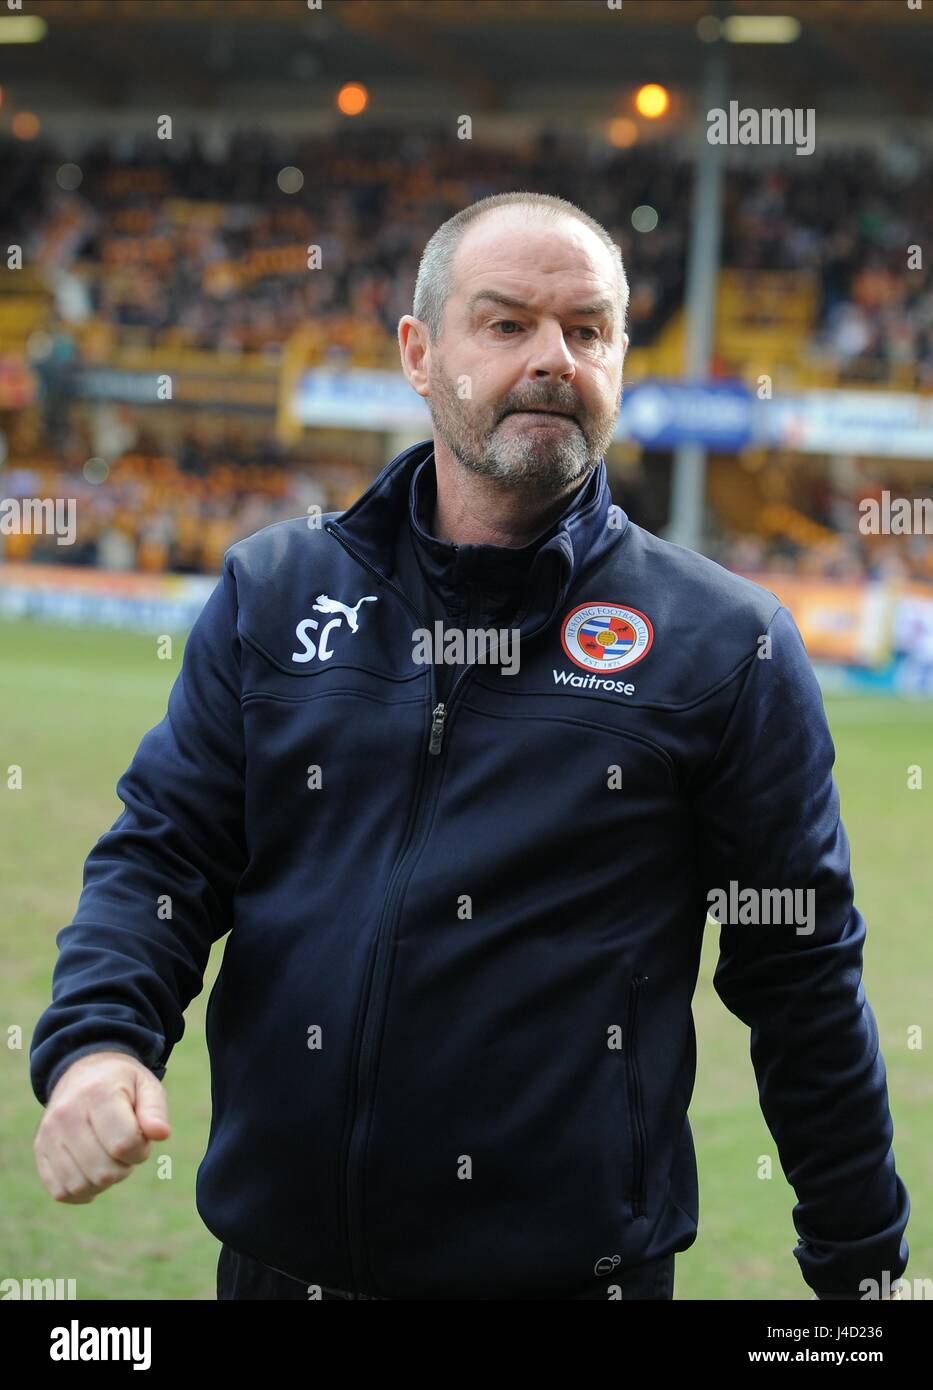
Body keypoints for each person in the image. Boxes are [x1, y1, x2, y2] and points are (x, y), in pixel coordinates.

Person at [30, 192, 909, 1302]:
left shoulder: (725, 647)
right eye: (506, 324)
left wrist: (864, 1278)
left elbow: (803, 980)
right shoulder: (275, 590)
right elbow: (163, 856)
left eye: (587, 330)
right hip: (277, 1269)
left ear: (621, 360)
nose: (552, 358)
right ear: (418, 350)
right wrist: (99, 1041)